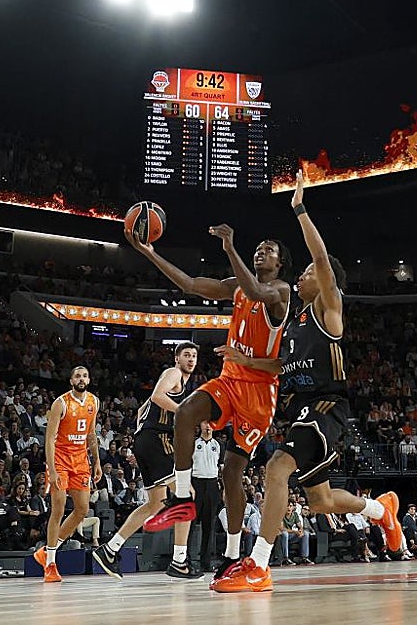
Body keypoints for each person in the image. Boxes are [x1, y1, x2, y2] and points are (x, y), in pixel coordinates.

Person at [211, 172, 403, 592]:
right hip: (298, 407)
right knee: (320, 501)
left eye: (308, 275)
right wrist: (248, 360)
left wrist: (299, 209)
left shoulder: (328, 309)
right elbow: (279, 366)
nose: (300, 279)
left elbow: (321, 259)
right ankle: (380, 510)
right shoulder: (296, 323)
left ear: (323, 279)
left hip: (326, 409)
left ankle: (258, 565)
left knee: (277, 468)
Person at [132, 222, 293, 582]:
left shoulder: (280, 291)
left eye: (269, 249)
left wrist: (230, 248)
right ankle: (183, 496)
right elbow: (189, 284)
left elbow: (254, 288)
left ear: (281, 263)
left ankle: (234, 554)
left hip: (258, 394)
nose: (261, 252)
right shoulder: (238, 285)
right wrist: (148, 252)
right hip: (229, 380)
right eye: (260, 247)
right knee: (186, 412)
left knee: (231, 472)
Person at [92, 345, 198, 580]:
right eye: (186, 355)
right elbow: (156, 397)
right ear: (176, 358)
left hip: (147, 441)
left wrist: (140, 439)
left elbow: (142, 409)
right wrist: (183, 412)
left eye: (194, 356)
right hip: (156, 440)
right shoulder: (174, 373)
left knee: (155, 504)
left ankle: (110, 549)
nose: (190, 359)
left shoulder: (178, 381)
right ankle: (180, 561)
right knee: (186, 495)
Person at [31, 366, 102, 582]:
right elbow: (49, 439)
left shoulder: (94, 402)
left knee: (82, 510)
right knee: (59, 508)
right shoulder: (60, 403)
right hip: (60, 460)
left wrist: (97, 461)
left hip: (81, 460)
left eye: (84, 375)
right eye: (77, 376)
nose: (81, 378)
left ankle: (47, 551)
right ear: (71, 380)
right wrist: (51, 470)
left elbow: (91, 434)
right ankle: (51, 564)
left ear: (89, 380)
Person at [190, 420, 222, 574]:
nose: (208, 426)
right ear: (200, 426)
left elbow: (221, 467)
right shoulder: (193, 444)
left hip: (212, 484)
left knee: (209, 527)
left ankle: (206, 562)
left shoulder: (219, 444)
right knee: (190, 525)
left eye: (211, 424)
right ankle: (186, 560)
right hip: (196, 484)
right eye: (205, 423)